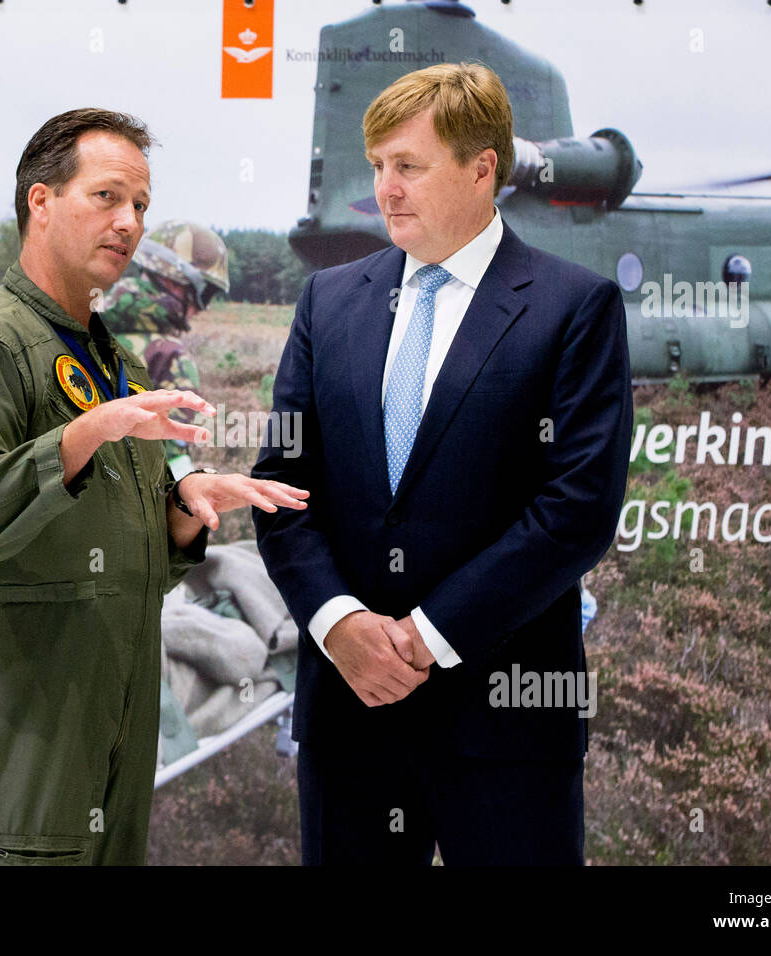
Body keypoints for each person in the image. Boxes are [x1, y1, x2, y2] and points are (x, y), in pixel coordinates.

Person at [252, 62, 632, 865]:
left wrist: (423, 639)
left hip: (503, 726)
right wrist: (339, 625)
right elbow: (281, 486)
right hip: (348, 721)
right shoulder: (328, 300)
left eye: (409, 166)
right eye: (380, 167)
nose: (385, 190)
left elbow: (577, 511)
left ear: (482, 167)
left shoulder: (574, 307)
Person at [0, 107, 306, 866]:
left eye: (141, 206)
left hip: (111, 728)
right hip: (19, 735)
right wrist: (88, 430)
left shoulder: (116, 364)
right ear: (42, 201)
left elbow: (124, 554)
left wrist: (185, 516)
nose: (128, 222)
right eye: (107, 197)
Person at [97, 220, 230, 477]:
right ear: (177, 280)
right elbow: (171, 465)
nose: (204, 308)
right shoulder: (170, 356)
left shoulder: (85, 324)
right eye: (207, 293)